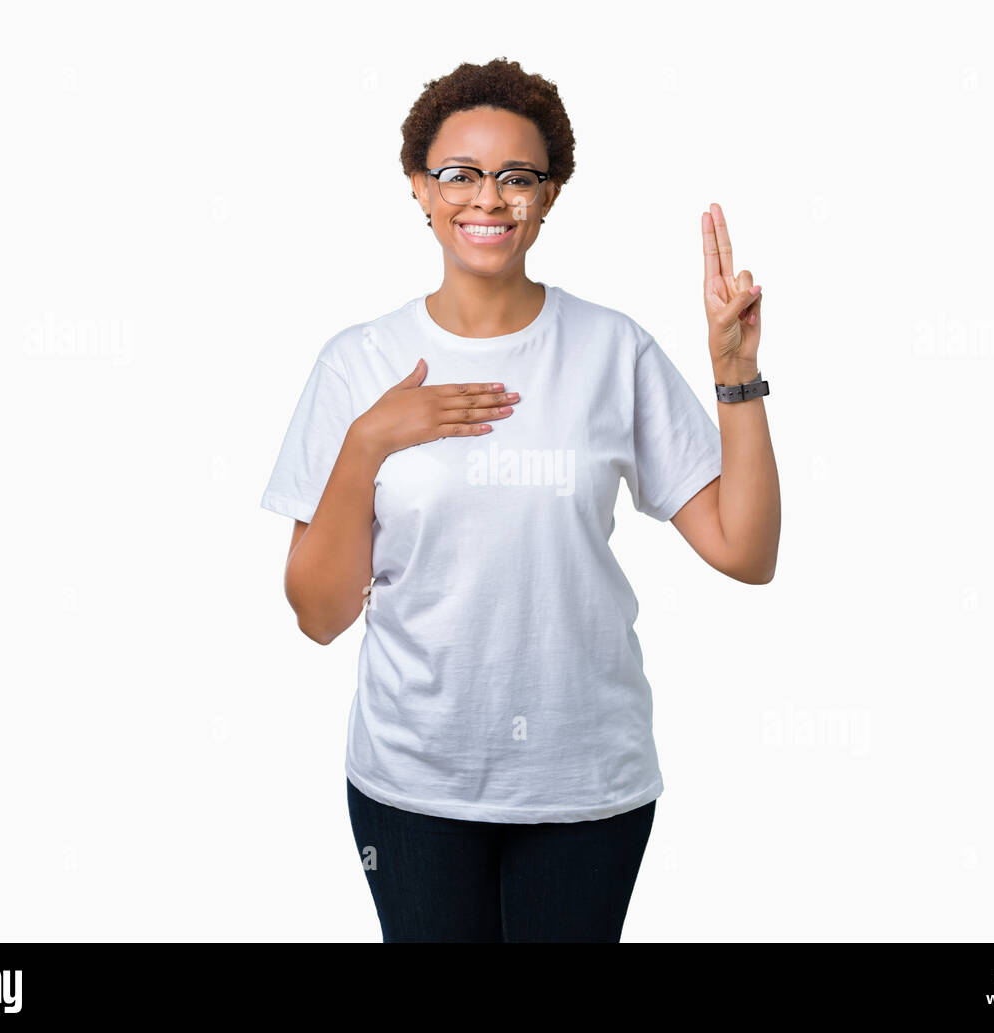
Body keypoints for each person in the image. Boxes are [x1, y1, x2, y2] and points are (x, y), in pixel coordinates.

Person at [261, 57, 781, 942]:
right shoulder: (355, 364)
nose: (487, 199)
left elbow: (746, 551)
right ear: (420, 189)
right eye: (459, 174)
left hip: (586, 780)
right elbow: (317, 614)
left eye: (517, 177)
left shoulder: (612, 349)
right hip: (414, 783)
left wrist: (737, 377)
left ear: (550, 195)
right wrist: (369, 441)